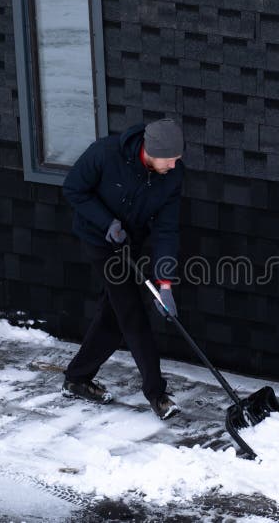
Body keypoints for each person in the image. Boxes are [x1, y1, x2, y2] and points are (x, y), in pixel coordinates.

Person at [60, 119, 185, 420]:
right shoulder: (105, 154)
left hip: (131, 240)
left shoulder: (172, 175)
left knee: (114, 314)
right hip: (99, 238)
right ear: (151, 152)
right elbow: (74, 189)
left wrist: (165, 284)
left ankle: (77, 377)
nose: (174, 165)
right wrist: (107, 223)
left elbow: (167, 231)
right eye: (169, 159)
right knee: (130, 310)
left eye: (177, 158)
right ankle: (156, 394)